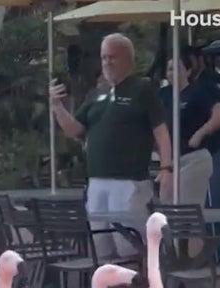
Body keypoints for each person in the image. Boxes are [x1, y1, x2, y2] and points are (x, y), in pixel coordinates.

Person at [51, 33, 172, 258]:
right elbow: (75, 130)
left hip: (129, 182)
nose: (107, 62)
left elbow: (161, 131)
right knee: (101, 246)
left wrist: (166, 169)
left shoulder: (142, 90)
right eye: (104, 57)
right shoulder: (97, 94)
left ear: (128, 59)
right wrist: (58, 107)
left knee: (130, 245)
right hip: (97, 183)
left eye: (113, 57)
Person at [158, 56, 220, 206]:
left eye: (178, 68)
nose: (173, 73)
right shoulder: (163, 95)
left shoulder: (197, 92)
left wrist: (200, 134)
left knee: (186, 206)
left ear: (188, 71)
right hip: (170, 161)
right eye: (170, 69)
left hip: (193, 158)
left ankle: (190, 230)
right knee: (166, 204)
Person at [183, 45, 220, 208]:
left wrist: (201, 133)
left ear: (199, 60)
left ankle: (214, 232)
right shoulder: (185, 88)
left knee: (212, 198)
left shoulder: (211, 81)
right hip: (189, 154)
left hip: (213, 147)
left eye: (189, 61)